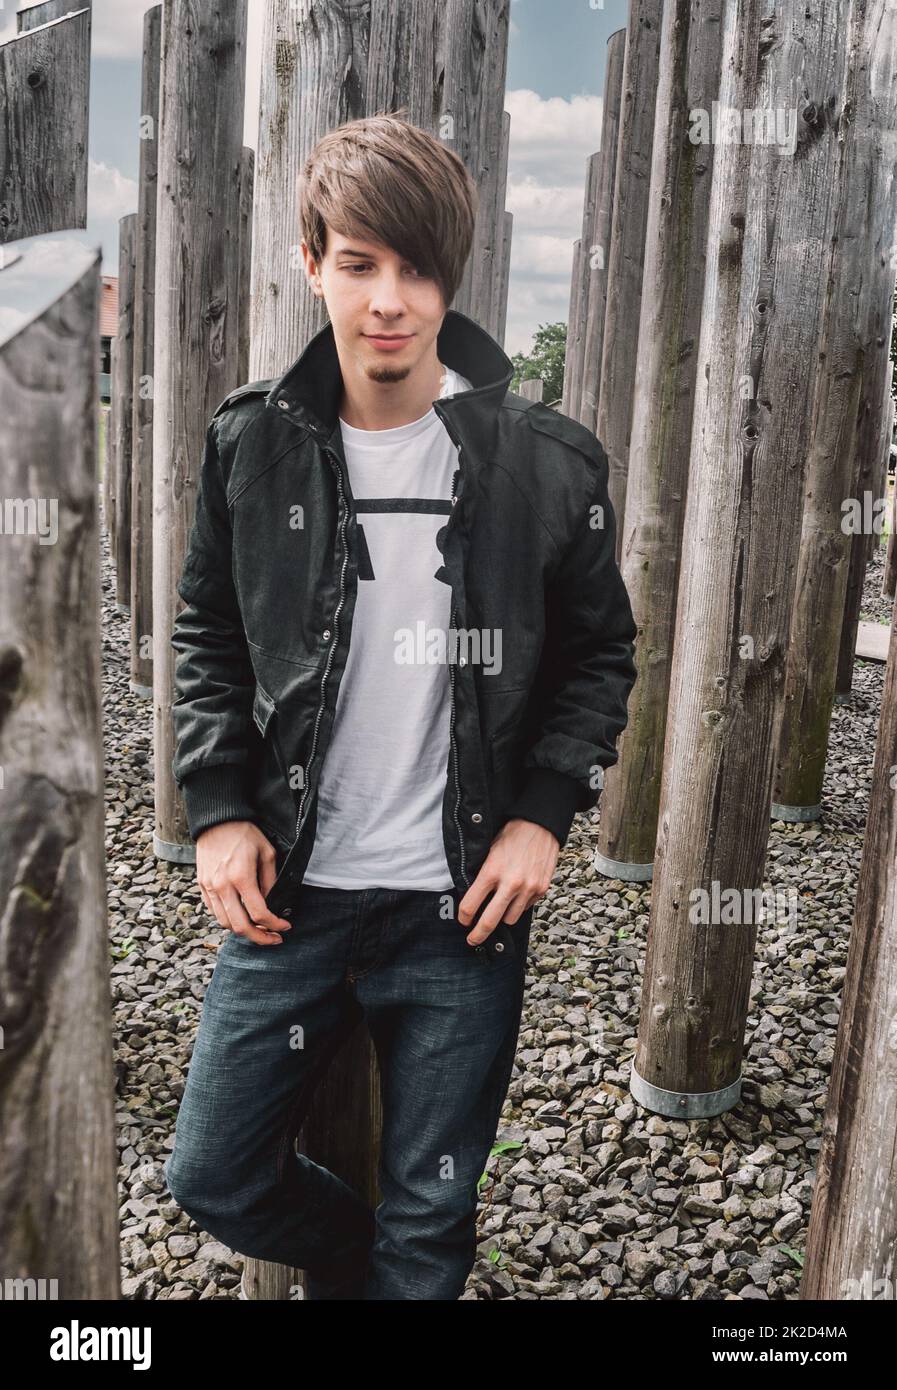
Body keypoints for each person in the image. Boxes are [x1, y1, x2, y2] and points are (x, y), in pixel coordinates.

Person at [162, 112, 637, 1301]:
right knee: (213, 1174)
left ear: (450, 279)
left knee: (436, 1213)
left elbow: (599, 656)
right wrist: (218, 807)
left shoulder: (548, 463)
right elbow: (208, 636)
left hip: (459, 910)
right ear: (311, 262)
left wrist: (541, 814)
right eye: (360, 262)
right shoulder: (250, 445)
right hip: (294, 899)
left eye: (417, 267)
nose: (389, 299)